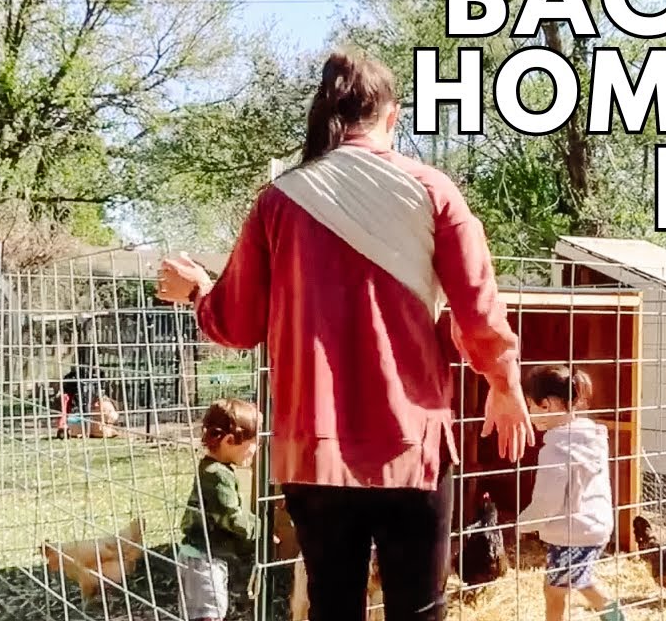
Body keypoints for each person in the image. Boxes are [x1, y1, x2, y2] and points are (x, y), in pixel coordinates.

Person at [156, 49, 534, 621]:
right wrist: (504, 384)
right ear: (394, 115)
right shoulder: (433, 191)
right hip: (413, 447)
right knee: (420, 609)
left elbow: (234, 324)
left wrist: (197, 292)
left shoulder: (279, 202)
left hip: (313, 454)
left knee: (332, 607)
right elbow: (479, 309)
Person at [517, 366, 625, 621]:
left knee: (569, 586)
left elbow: (547, 501)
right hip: (594, 525)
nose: (529, 414)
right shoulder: (591, 437)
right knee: (563, 586)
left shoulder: (556, 450)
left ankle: (617, 617)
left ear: (547, 405)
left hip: (573, 532)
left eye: (530, 406)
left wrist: (524, 523)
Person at [178, 398, 261, 621]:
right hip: (203, 560)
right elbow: (232, 517)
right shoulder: (217, 476)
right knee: (208, 614)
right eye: (254, 442)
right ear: (229, 440)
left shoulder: (212, 468)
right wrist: (260, 527)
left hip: (200, 556)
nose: (256, 449)